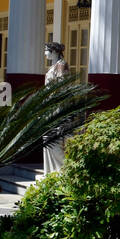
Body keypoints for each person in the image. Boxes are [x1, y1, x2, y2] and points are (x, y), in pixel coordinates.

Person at [43, 42, 70, 173]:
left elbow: (61, 86)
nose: (45, 53)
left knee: (53, 139)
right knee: (48, 138)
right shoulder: (53, 66)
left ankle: (63, 169)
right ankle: (52, 171)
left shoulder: (61, 65)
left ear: (54, 51)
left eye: (46, 50)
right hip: (50, 105)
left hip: (57, 105)